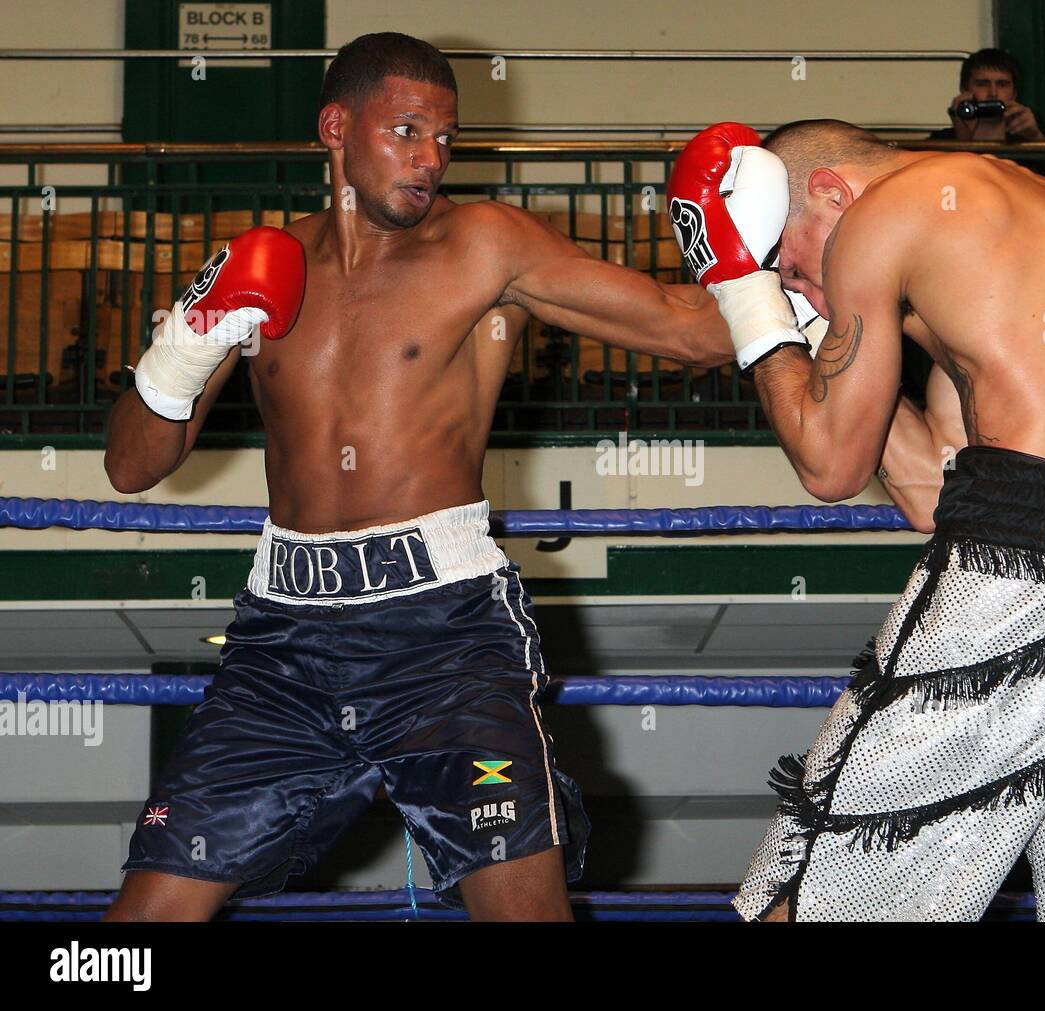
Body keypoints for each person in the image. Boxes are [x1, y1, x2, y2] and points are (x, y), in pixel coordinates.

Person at [101, 32, 731, 922]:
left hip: (447, 638)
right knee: (137, 925)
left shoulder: (483, 244)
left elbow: (690, 329)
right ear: (336, 128)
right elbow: (132, 465)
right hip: (282, 645)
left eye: (445, 139)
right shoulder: (265, 267)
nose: (431, 159)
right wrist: (185, 343)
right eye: (405, 131)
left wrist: (766, 258)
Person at [668, 119, 1045, 921]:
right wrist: (822, 329)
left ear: (830, 192)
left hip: (1023, 575)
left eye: (792, 266)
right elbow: (938, 494)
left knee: (806, 897)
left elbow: (830, 466)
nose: (803, 292)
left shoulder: (878, 213)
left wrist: (744, 295)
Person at [928, 48, 1045, 143]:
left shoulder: (1025, 141)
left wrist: (1036, 137)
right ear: (964, 90)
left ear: (1014, 93)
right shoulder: (940, 141)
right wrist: (962, 136)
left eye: (1002, 85)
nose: (993, 93)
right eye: (982, 84)